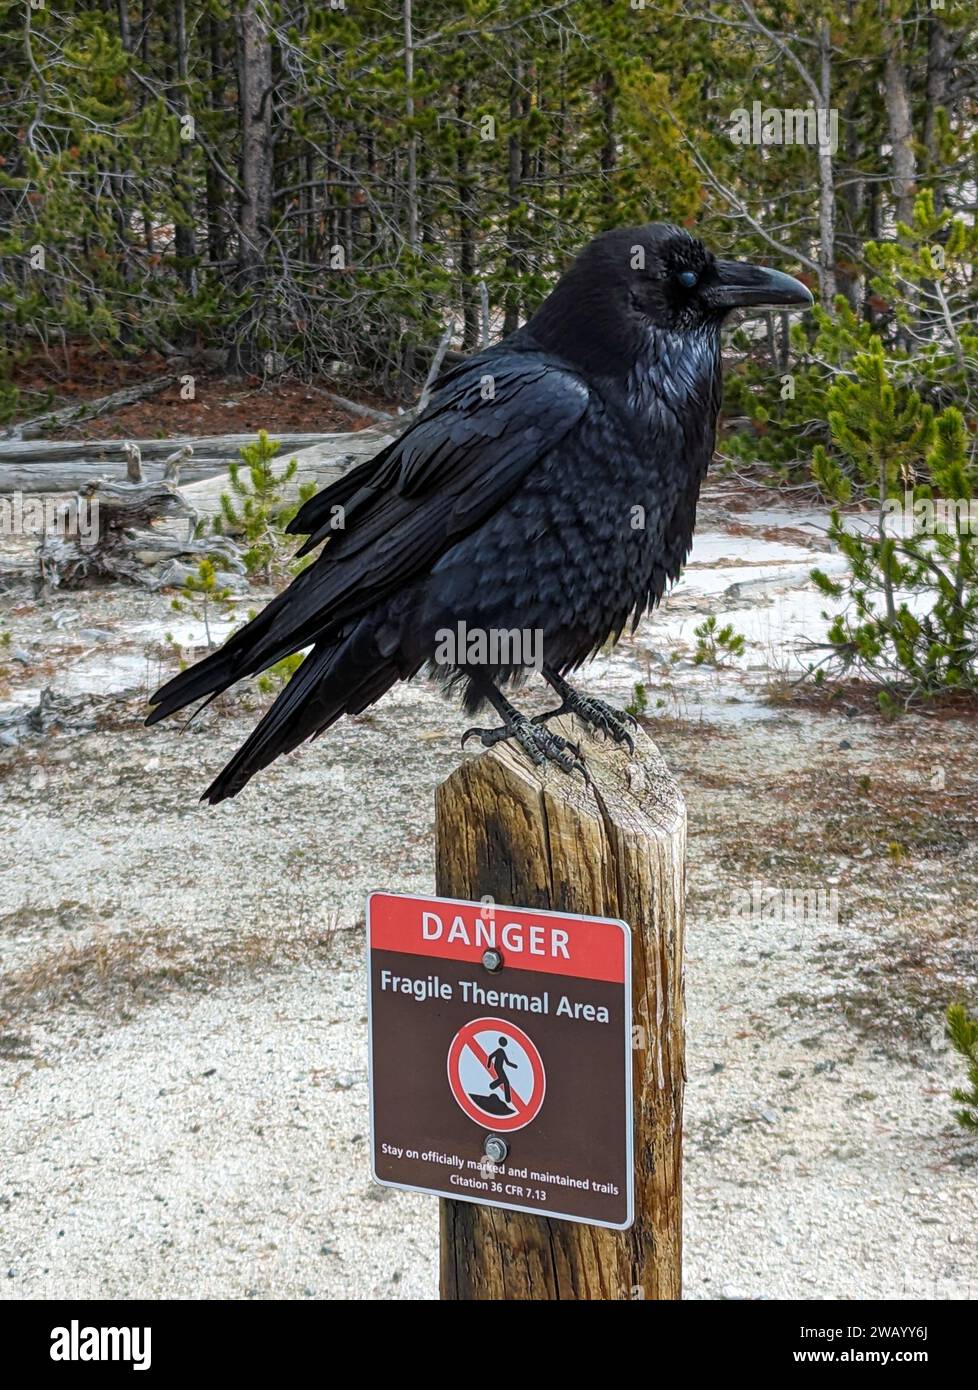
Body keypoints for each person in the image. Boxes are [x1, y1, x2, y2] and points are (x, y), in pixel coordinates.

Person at [487, 1037, 517, 1106]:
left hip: (500, 1068)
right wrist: (488, 1065)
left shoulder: (502, 1051)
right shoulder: (499, 1050)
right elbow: (490, 1056)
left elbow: (507, 1062)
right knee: (506, 1081)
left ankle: (492, 1085)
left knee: (503, 1080)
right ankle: (508, 1099)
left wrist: (514, 1065)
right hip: (497, 1068)